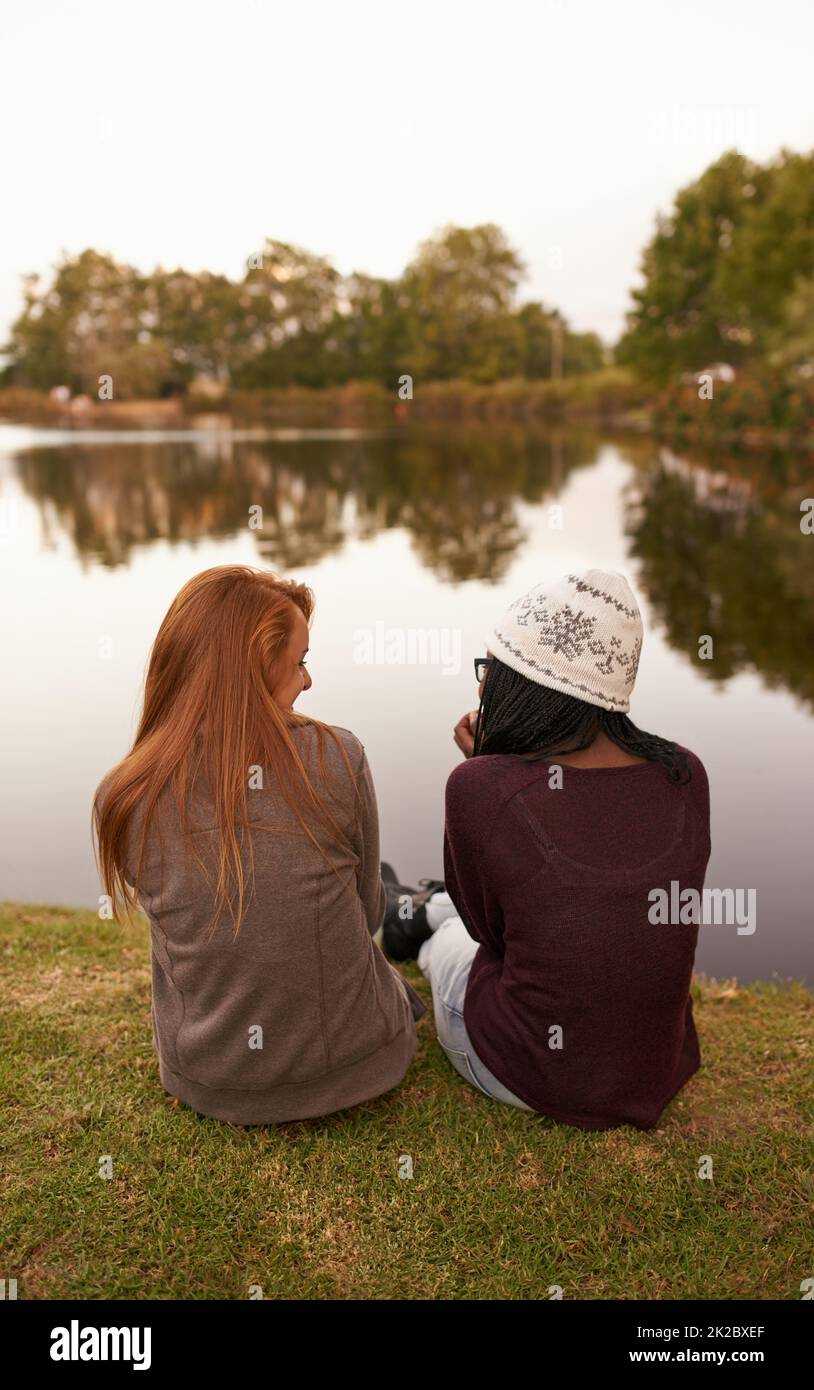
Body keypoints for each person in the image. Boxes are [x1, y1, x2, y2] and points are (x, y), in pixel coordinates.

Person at [93, 565, 426, 1126]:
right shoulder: (339, 757)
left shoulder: (123, 796)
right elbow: (367, 915)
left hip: (209, 1079)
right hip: (363, 1064)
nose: (309, 681)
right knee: (377, 891)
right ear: (253, 669)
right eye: (299, 663)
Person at [382, 568, 711, 1132]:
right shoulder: (684, 772)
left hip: (529, 1074)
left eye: (490, 671)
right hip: (656, 1067)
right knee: (501, 907)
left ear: (525, 682)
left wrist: (483, 760)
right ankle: (418, 906)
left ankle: (412, 922)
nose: (482, 688)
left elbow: (490, 933)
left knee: (451, 939)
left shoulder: (481, 786)